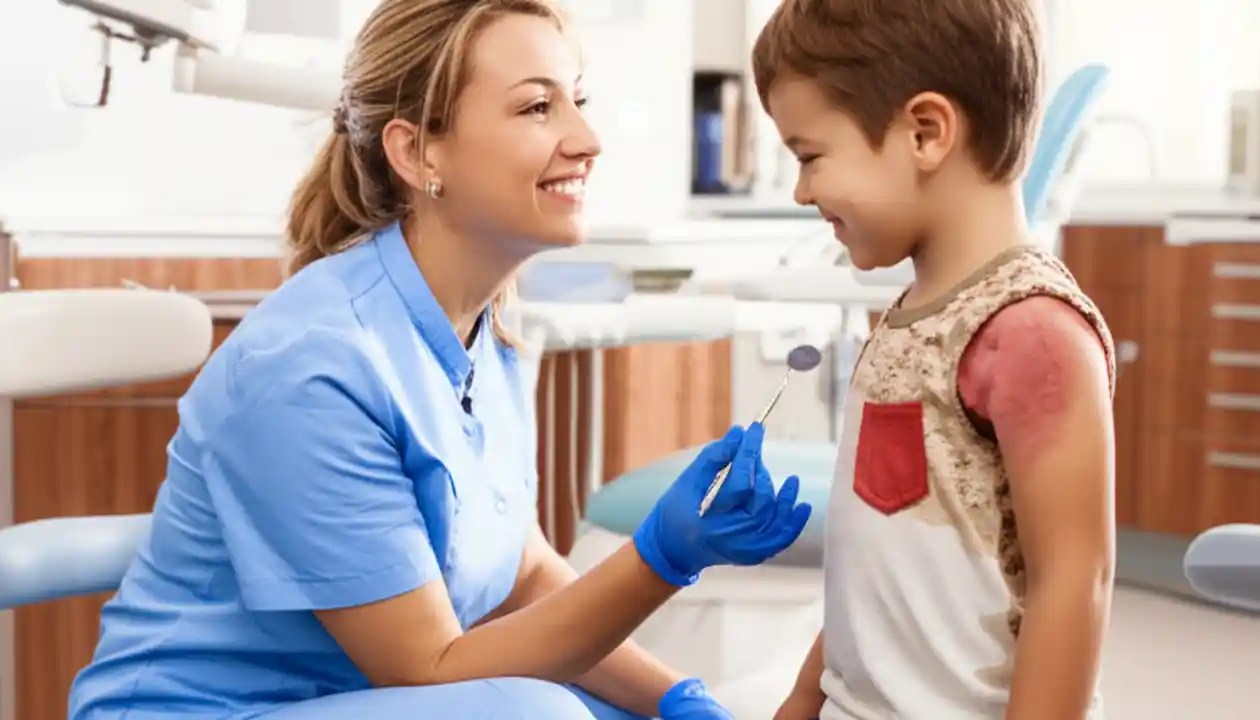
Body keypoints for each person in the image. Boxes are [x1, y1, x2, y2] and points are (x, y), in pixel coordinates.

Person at [67, 1, 812, 718]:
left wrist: (677, 698)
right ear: (418, 151)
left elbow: (521, 577)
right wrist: (661, 556)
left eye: (577, 100)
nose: (588, 138)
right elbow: (426, 670)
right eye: (536, 108)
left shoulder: (485, 330)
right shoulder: (312, 366)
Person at [752, 1, 1117, 719]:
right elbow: (879, 566)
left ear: (925, 132)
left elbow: (1075, 582)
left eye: (809, 156)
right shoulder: (907, 316)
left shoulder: (1031, 332)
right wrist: (806, 694)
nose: (801, 190)